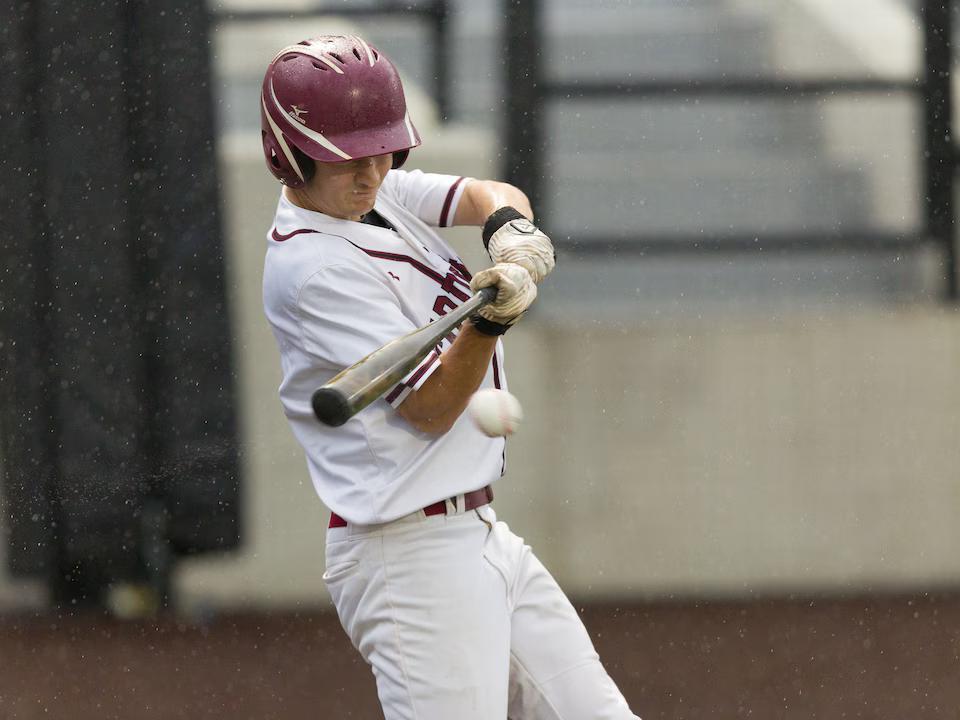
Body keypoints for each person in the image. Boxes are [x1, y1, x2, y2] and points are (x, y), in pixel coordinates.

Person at [260, 35, 639, 719]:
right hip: (407, 557)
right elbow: (431, 408)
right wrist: (491, 324)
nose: (372, 170)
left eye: (383, 149)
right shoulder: (312, 269)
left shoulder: (377, 194)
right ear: (289, 153)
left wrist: (508, 233)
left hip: (476, 532)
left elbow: (488, 193)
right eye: (350, 157)